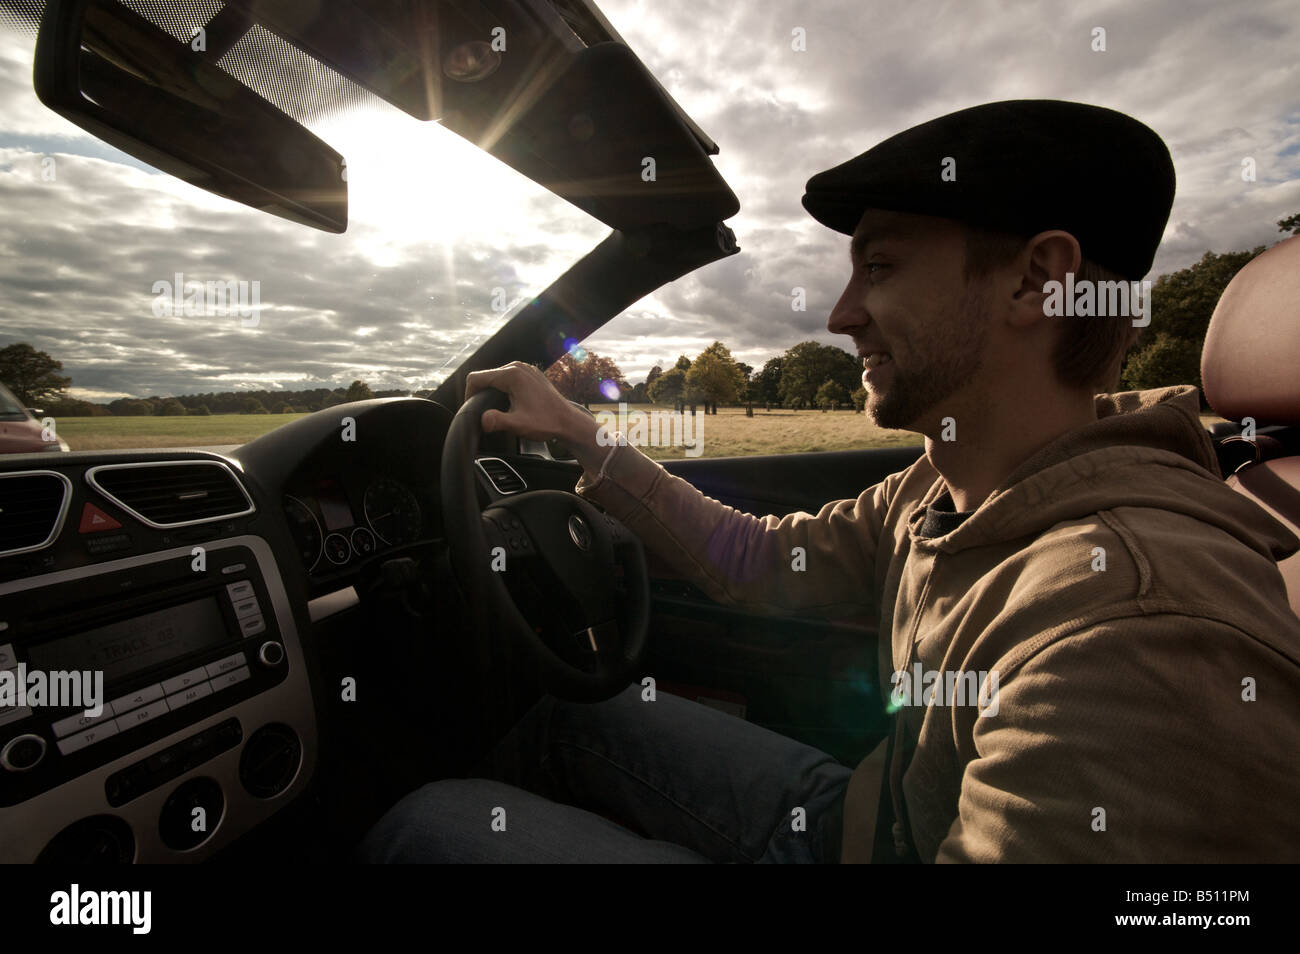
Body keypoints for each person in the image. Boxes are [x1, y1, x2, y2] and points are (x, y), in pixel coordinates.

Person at [360, 100, 1300, 863]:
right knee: (563, 719)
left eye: (881, 266)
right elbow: (759, 558)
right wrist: (583, 440)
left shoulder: (1133, 632)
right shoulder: (947, 483)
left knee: (429, 825)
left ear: (1036, 283)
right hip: (866, 820)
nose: (844, 313)